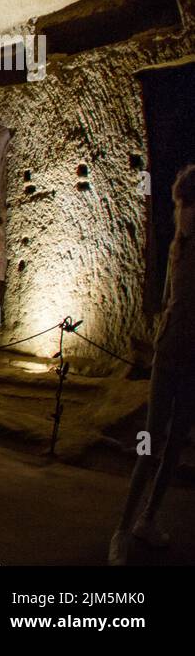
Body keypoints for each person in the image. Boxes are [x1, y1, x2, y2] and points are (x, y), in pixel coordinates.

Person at [110, 165, 195, 564]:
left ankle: (148, 518)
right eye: (182, 205)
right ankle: (122, 531)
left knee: (176, 443)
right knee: (150, 442)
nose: (185, 213)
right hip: (170, 352)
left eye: (189, 204)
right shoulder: (178, 250)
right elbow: (166, 304)